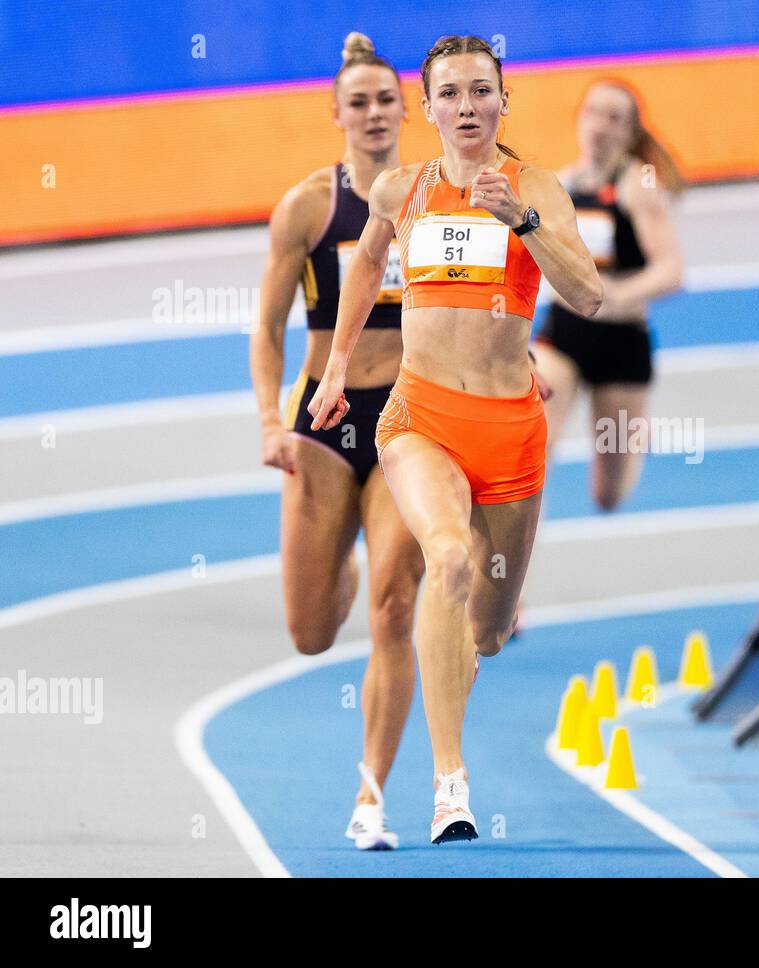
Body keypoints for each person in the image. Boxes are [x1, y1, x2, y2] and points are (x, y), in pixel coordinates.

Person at [307, 34, 601, 844]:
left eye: (482, 92)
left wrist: (528, 222)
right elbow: (366, 269)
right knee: (448, 560)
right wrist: (336, 372)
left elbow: (590, 295)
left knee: (490, 630)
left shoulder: (535, 186)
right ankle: (449, 785)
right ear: (426, 107)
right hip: (421, 416)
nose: (467, 108)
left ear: (504, 100)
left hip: (510, 429)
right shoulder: (401, 190)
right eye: (451, 94)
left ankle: (470, 654)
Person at [250, 32, 422, 850]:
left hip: (405, 421)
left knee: (397, 610)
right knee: (311, 633)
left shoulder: (434, 199)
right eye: (359, 101)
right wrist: (265, 421)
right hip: (321, 426)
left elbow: (478, 305)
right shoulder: (307, 209)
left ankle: (371, 797)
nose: (375, 112)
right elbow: (267, 328)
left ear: (404, 106)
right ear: (337, 115)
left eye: (387, 98)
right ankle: (341, 557)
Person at [532, 79, 685, 512]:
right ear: (580, 120)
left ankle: (636, 434)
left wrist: (614, 294)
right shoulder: (559, 185)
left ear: (630, 132)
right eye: (593, 113)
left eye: (614, 118)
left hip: (621, 344)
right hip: (564, 334)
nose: (600, 126)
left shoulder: (637, 186)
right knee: (533, 442)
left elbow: (671, 271)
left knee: (607, 497)